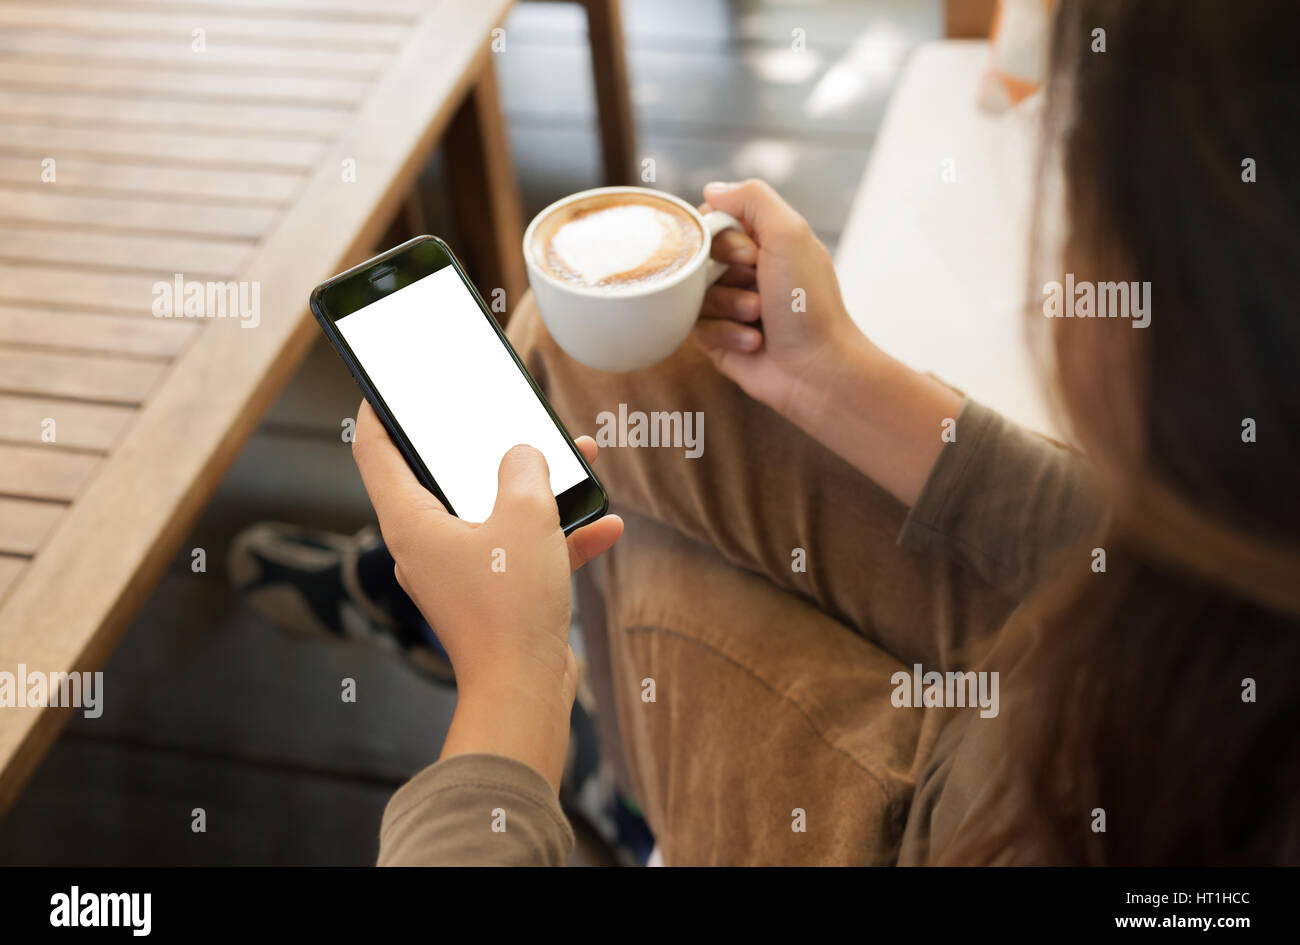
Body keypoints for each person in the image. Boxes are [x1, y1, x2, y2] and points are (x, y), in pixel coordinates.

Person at [235, 0, 1300, 865]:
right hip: (1079, 672)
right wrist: (833, 378)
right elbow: (1151, 559)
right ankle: (522, 640)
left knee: (626, 542)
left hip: (928, 826)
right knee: (600, 359)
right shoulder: (1241, 557)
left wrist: (507, 687)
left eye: (1090, 221)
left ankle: (513, 663)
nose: (1060, 284)